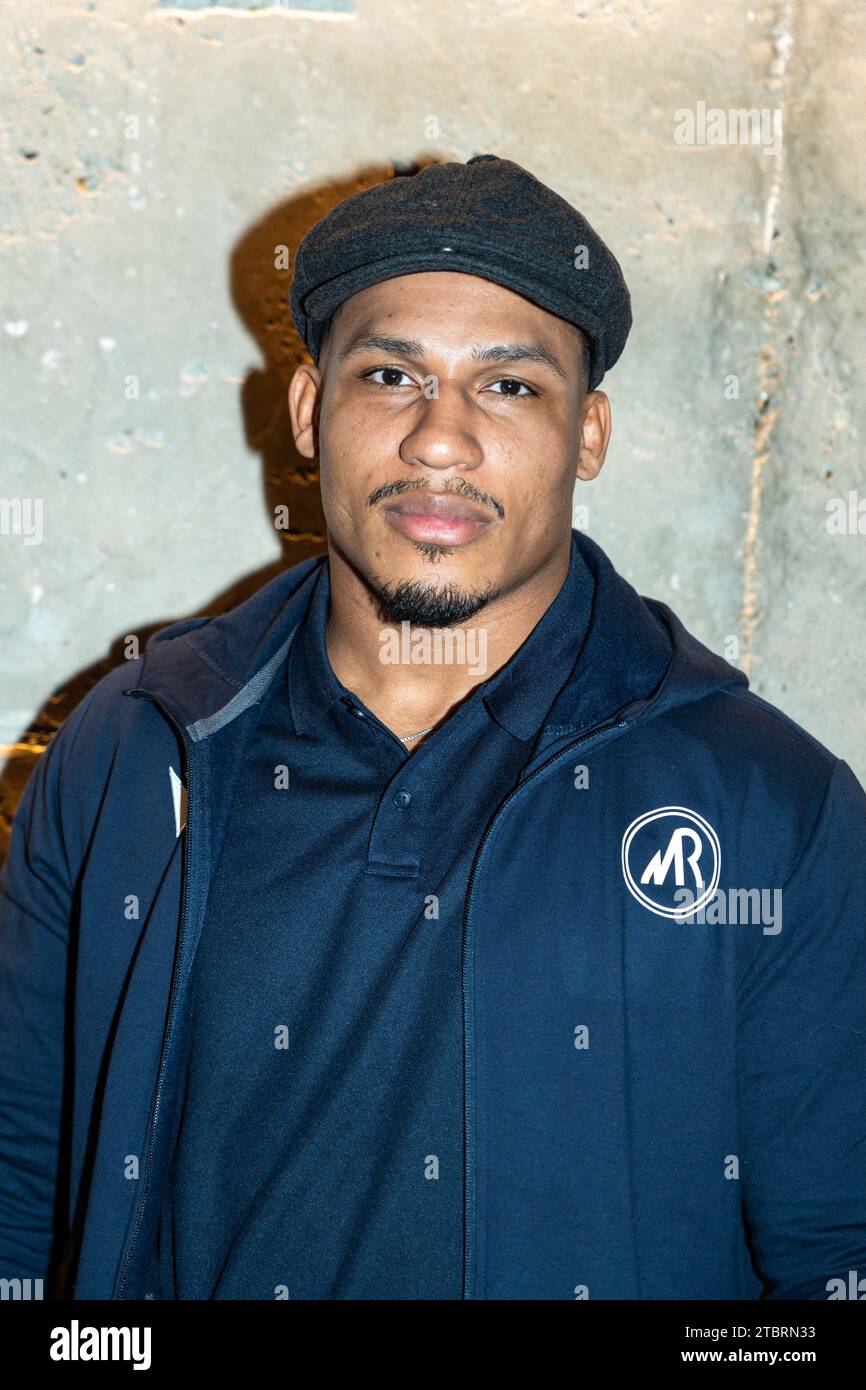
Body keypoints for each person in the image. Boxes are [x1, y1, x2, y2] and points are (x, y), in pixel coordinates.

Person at [1, 155, 865, 1301]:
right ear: (310, 412)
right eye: (390, 373)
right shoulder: (137, 744)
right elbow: (20, 1183)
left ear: (588, 434)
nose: (439, 440)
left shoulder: (767, 802)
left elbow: (833, 1257)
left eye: (507, 387)